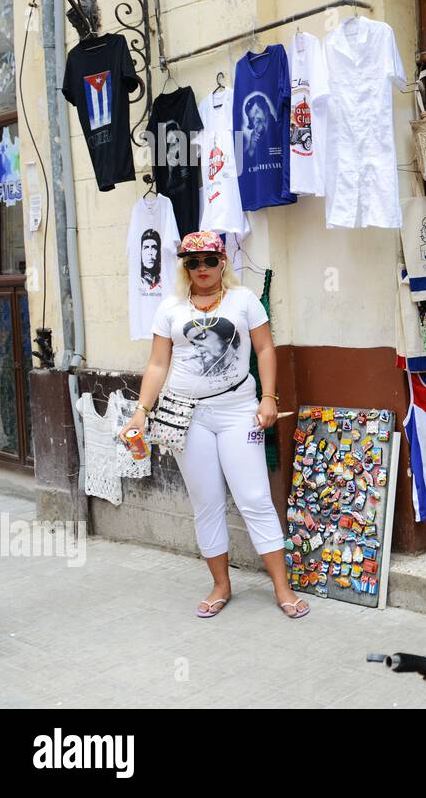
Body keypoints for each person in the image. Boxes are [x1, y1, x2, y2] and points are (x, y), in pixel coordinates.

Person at [118, 230, 309, 620]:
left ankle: (281, 586)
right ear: (184, 267)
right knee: (206, 502)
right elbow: (157, 364)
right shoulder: (170, 308)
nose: (201, 268)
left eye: (208, 260)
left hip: (240, 411)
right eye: (193, 262)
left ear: (223, 261)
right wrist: (141, 410)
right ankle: (221, 585)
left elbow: (265, 348)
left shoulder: (244, 300)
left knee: (254, 497)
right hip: (187, 416)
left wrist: (269, 398)